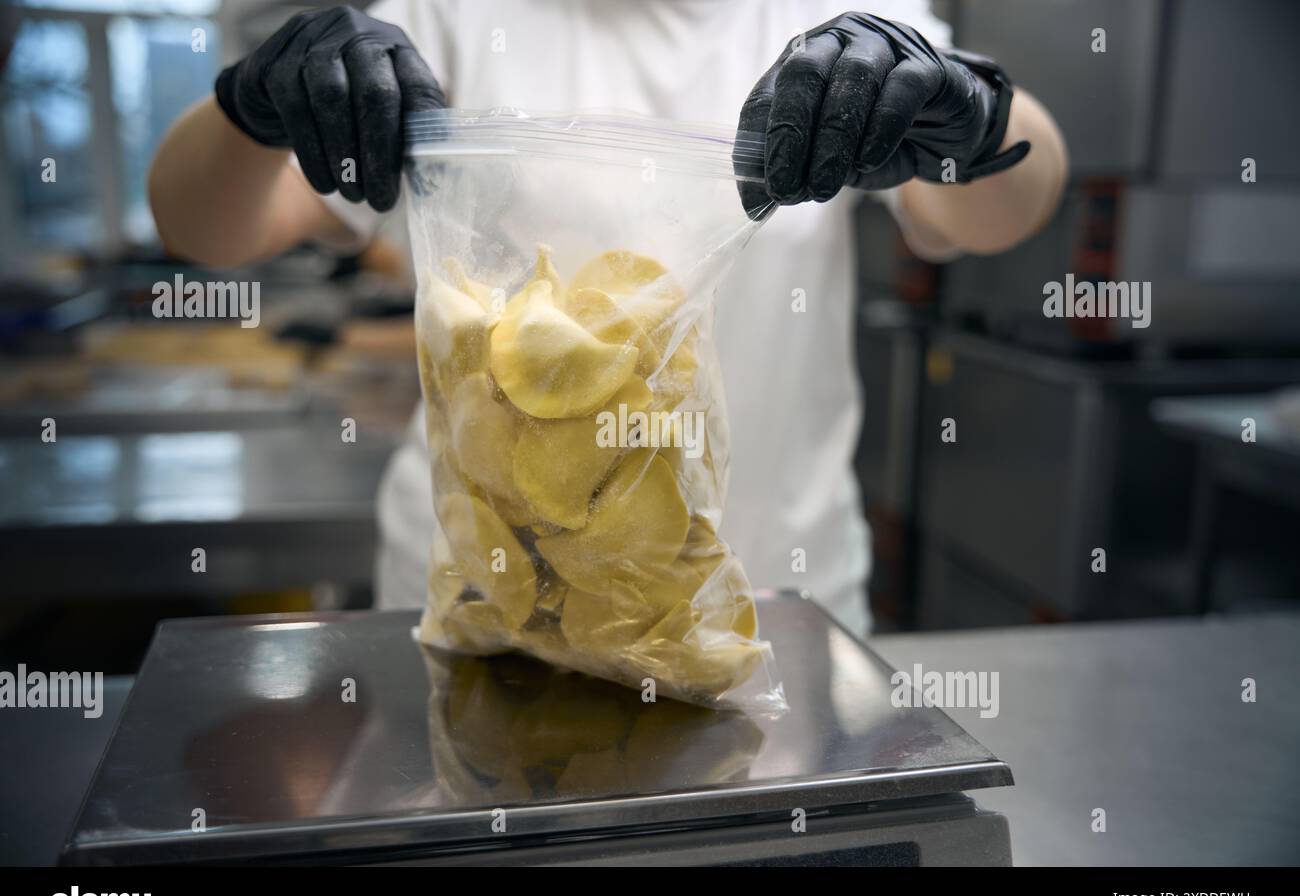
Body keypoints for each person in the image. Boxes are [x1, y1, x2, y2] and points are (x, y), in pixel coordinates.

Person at [150, 2, 1067, 635]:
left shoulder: (838, 11)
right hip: (490, 605)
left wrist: (975, 116)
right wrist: (248, 106)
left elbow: (1000, 209)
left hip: (774, 604)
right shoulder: (452, 15)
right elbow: (211, 232)